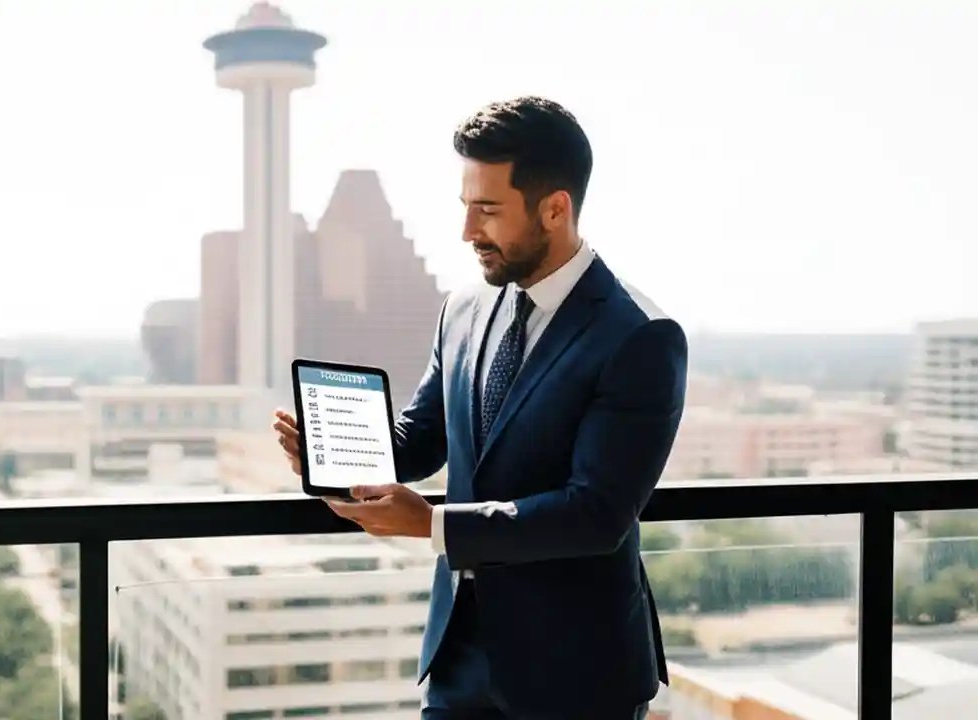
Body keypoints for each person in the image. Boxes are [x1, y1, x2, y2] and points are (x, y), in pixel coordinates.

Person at [273, 96, 687, 719]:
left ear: (555, 209)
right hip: (458, 659)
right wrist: (337, 449)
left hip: (578, 675)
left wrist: (433, 525)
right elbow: (423, 437)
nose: (468, 231)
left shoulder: (639, 336)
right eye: (466, 207)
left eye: (488, 211)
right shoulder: (463, 308)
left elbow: (597, 513)